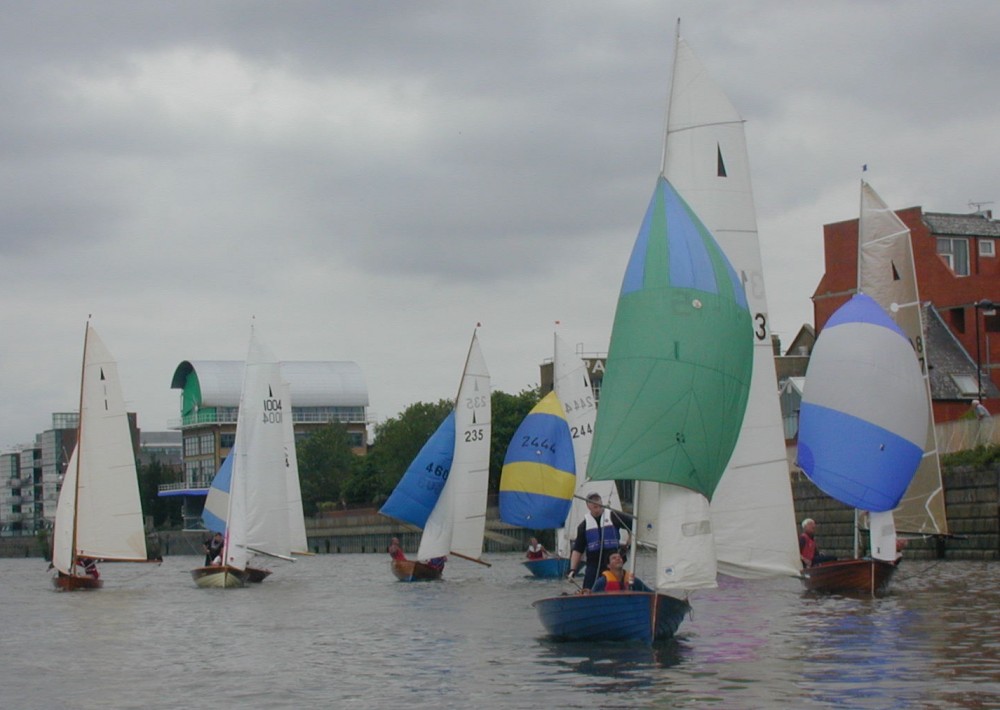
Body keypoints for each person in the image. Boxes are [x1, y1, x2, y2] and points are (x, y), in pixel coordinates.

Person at [568, 492, 632, 590]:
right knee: (588, 588)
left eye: (597, 500)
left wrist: (629, 543)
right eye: (591, 501)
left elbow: (633, 525)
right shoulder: (583, 526)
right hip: (593, 563)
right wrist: (572, 570)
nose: (595, 503)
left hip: (612, 562)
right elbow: (578, 550)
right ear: (588, 506)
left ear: (601, 502)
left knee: (615, 584)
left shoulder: (613, 516)